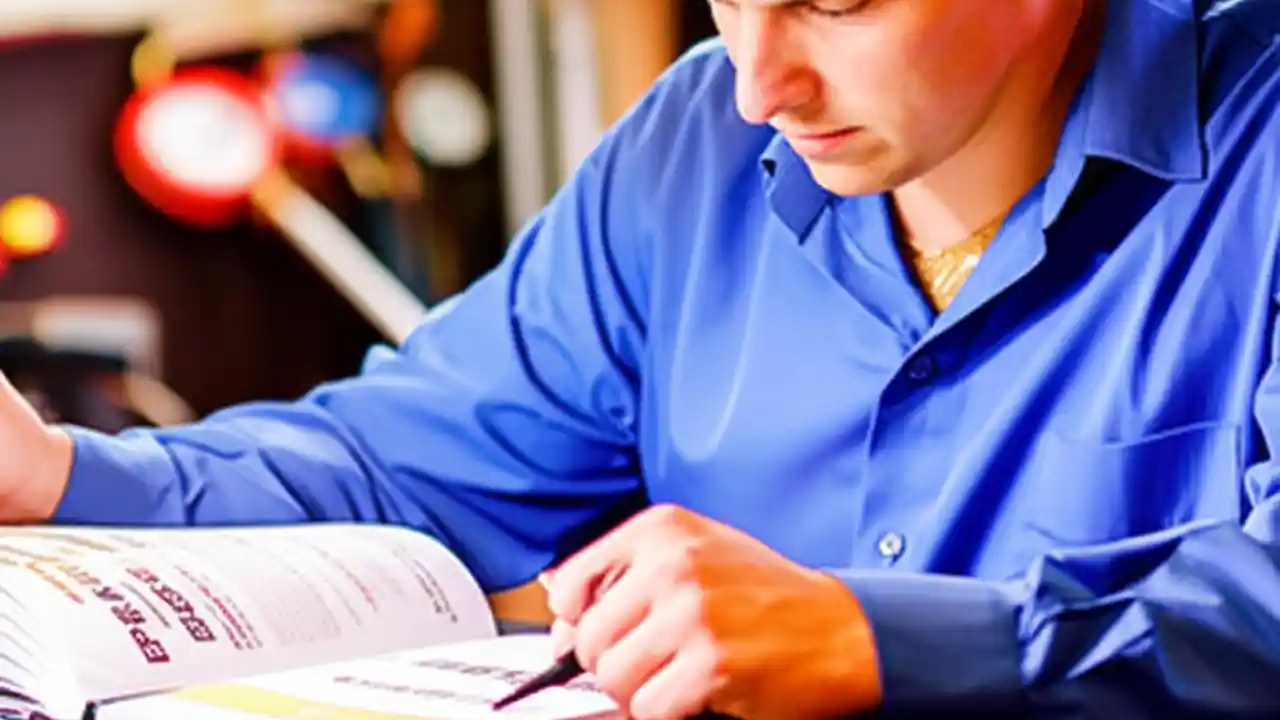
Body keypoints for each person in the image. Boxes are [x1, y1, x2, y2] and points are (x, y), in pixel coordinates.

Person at [3, 0, 1280, 716]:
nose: (755, 83)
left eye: (832, 1)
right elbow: (406, 465)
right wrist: (58, 476)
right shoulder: (691, 154)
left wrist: (878, 636)